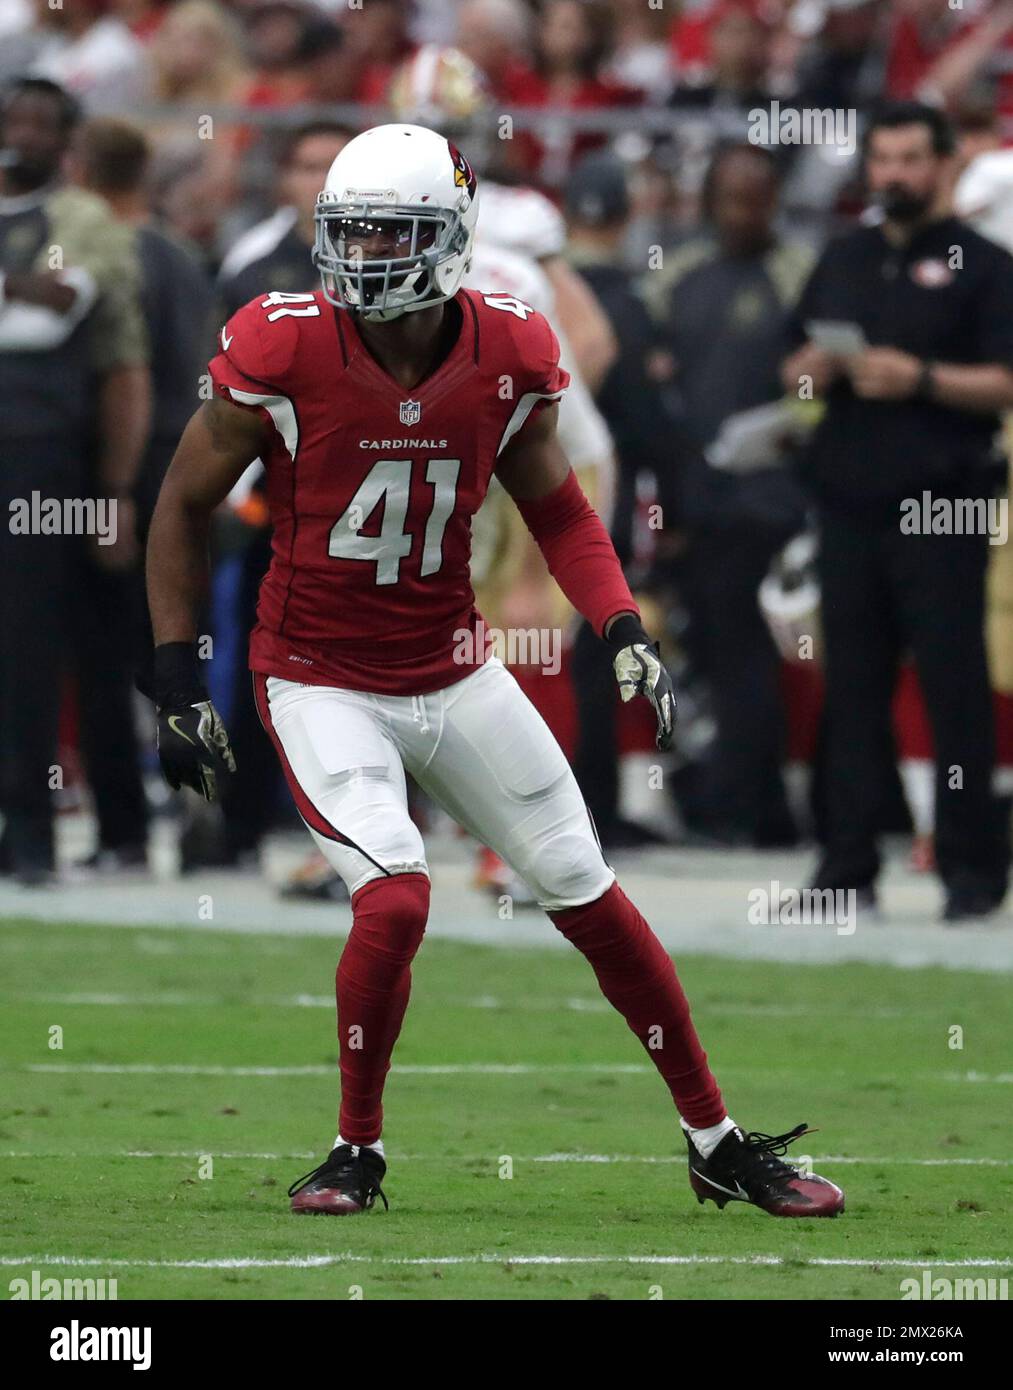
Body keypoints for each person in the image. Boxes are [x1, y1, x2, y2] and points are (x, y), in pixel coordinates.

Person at [145, 122, 845, 1221]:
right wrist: (178, 679)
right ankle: (354, 1151)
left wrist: (619, 626)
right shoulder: (280, 344)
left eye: (391, 232)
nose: (365, 254)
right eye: (351, 231)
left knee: (589, 892)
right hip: (320, 675)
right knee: (396, 902)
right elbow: (181, 504)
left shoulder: (512, 346)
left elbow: (558, 504)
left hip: (454, 667)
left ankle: (715, 1143)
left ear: (450, 238)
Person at [782, 101, 1013, 921]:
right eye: (882, 159)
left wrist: (917, 378)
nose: (894, 175)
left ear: (944, 164)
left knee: (953, 691)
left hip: (942, 505)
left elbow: (1006, 381)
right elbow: (789, 372)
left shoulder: (984, 264)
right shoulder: (841, 257)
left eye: (911, 158)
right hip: (847, 502)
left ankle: (971, 874)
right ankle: (844, 868)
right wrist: (813, 369)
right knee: (850, 690)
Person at [0, 76, 149, 884]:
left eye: (39, 122)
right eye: (11, 117)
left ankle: (29, 834)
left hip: (40, 456)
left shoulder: (79, 219)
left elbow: (59, 307)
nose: (21, 133)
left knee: (26, 646)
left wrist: (114, 491)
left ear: (67, 141)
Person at [646, 142, 813, 847]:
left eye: (757, 198)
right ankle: (737, 801)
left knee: (759, 655)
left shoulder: (799, 273)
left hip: (781, 497)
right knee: (717, 653)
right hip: (699, 497)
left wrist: (797, 420)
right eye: (731, 199)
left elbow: (826, 375)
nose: (745, 213)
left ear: (775, 199)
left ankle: (759, 808)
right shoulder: (677, 274)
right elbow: (647, 369)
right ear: (708, 202)